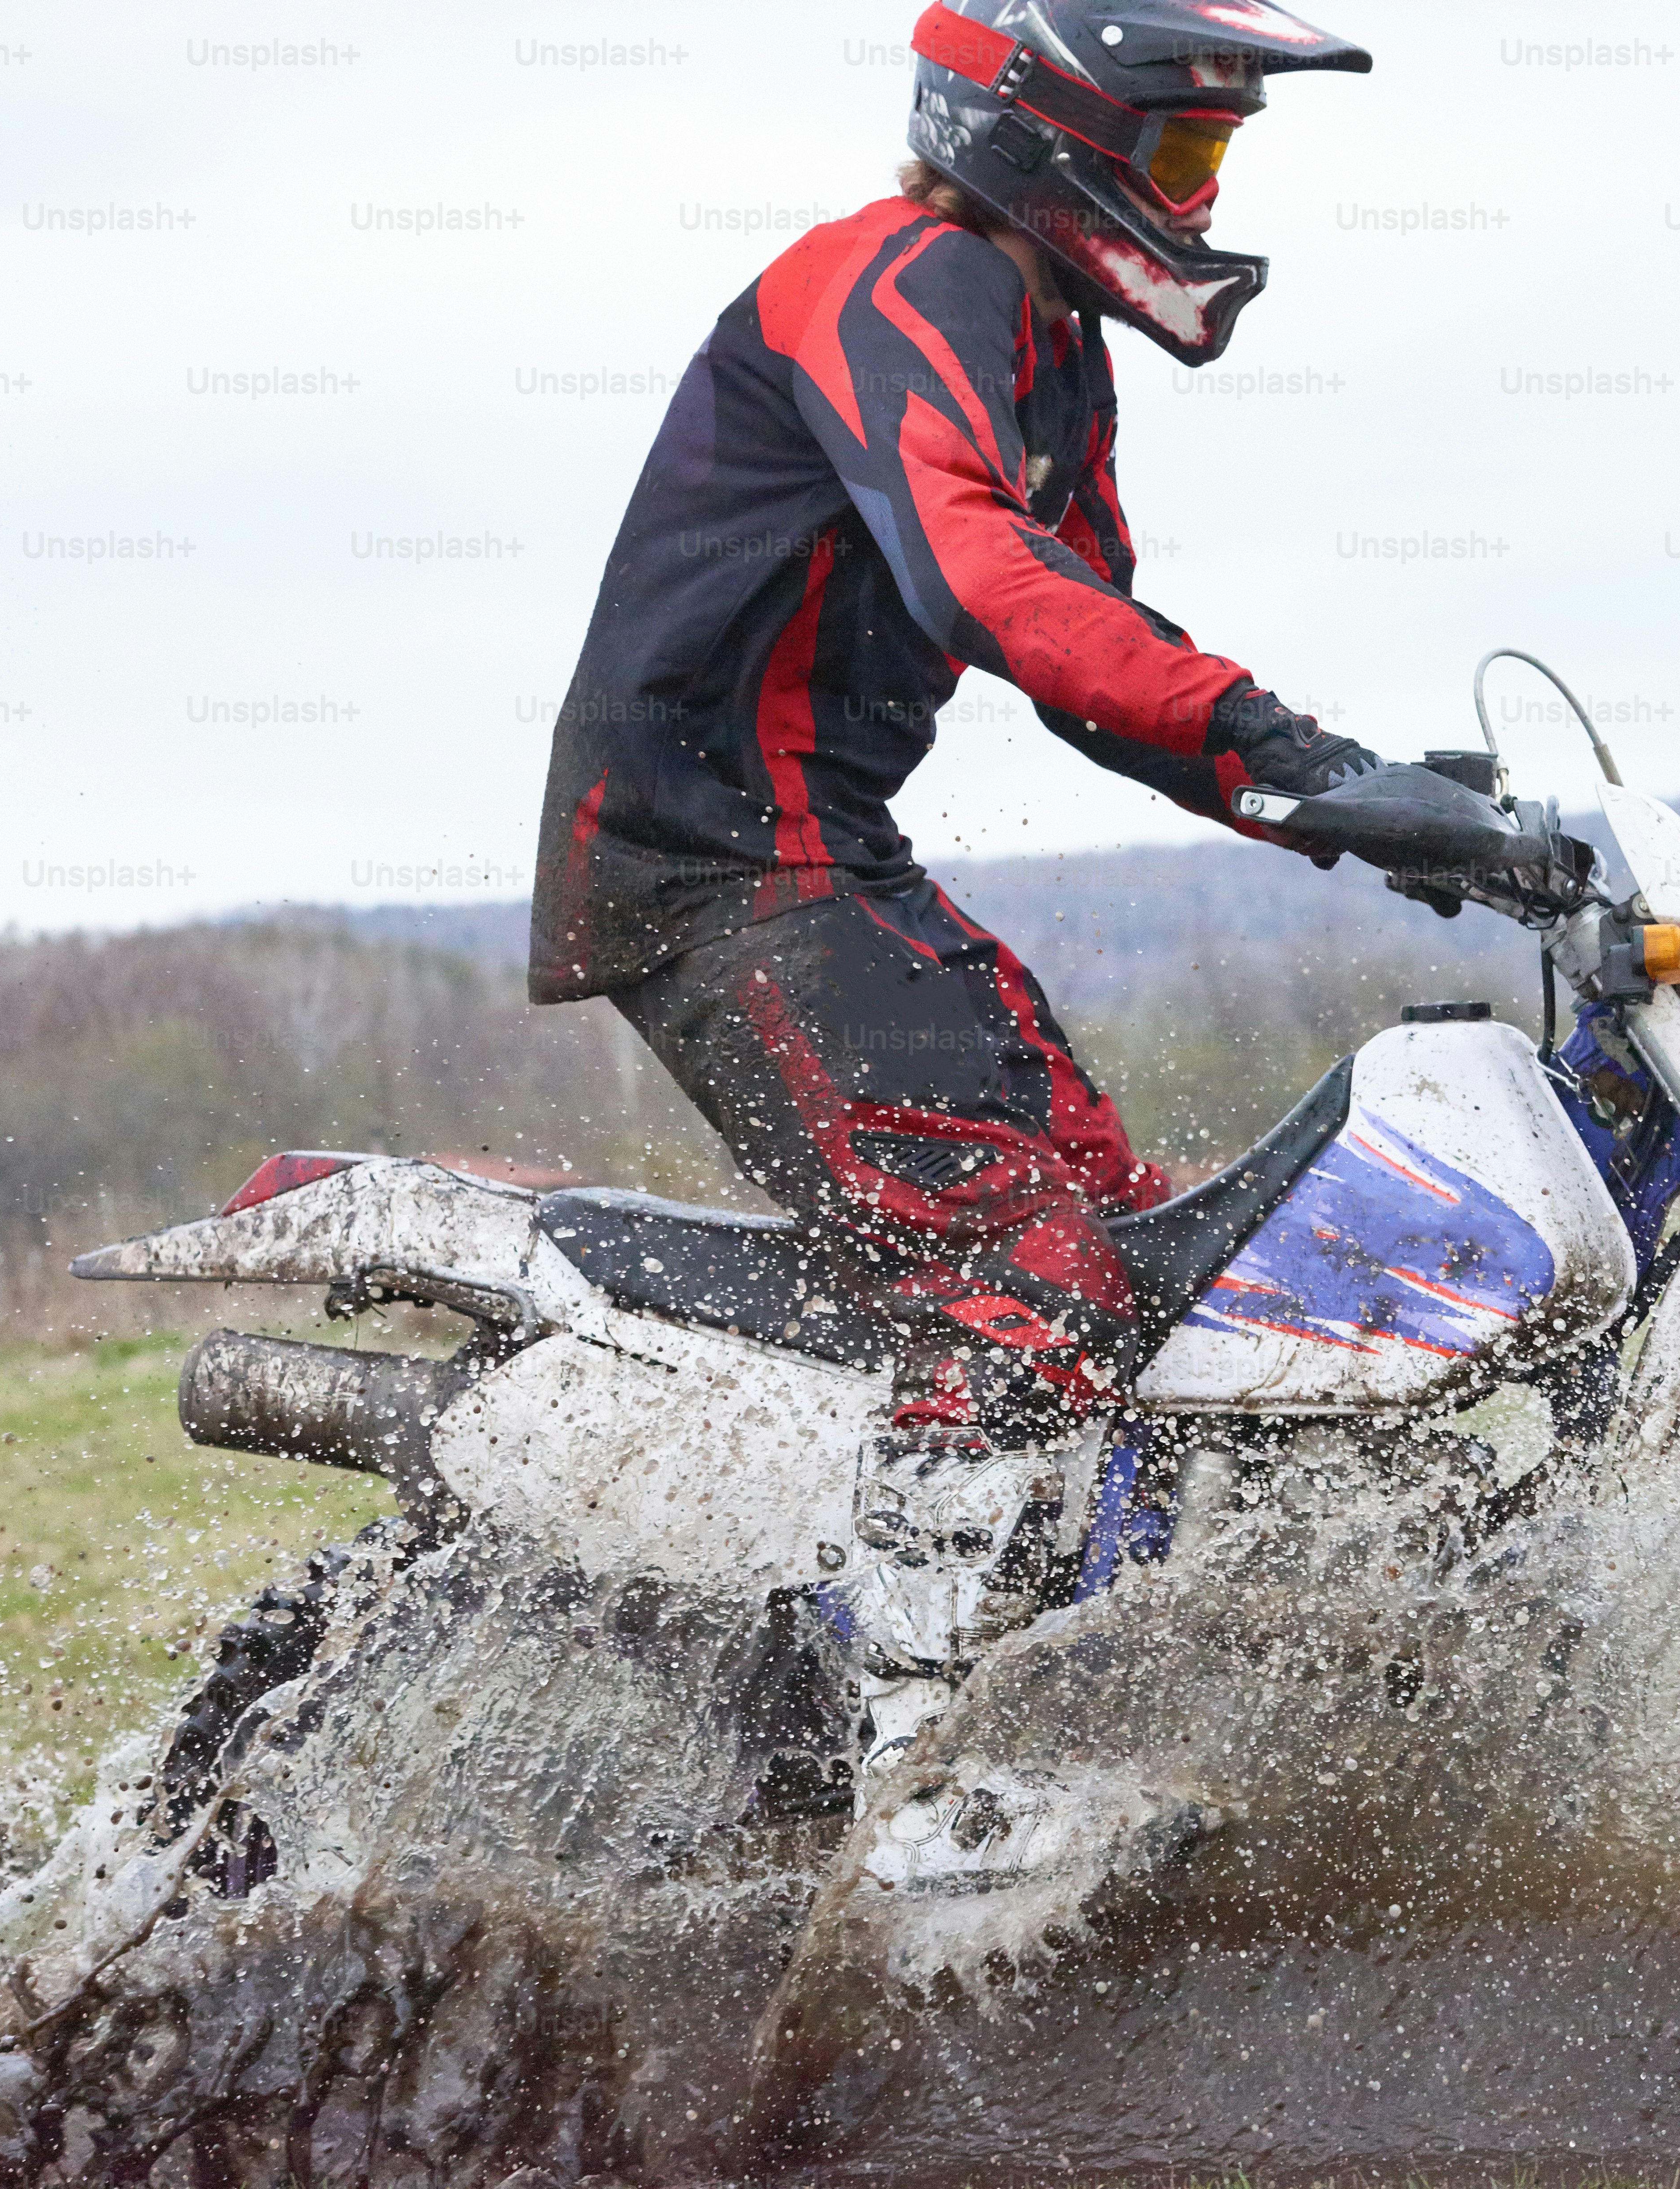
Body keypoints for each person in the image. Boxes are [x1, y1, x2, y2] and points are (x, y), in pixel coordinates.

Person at [528, 0, 1381, 1453]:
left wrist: (1368, 800)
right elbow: (978, 573)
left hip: (831, 868)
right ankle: (907, 1654)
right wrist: (1286, 748)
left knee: (1132, 1235)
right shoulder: (895, 276)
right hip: (711, 874)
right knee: (1028, 1277)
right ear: (1052, 132)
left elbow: (1097, 652)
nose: (1201, 194)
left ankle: (1147, 1592)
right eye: (1180, 149)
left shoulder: (1059, 356)